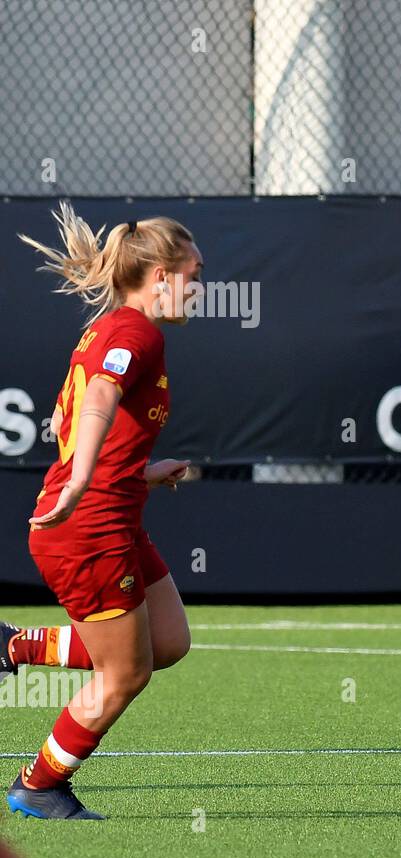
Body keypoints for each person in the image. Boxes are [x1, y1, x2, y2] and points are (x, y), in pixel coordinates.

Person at [1, 202, 200, 818]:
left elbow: (66, 417)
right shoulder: (136, 331)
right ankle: (39, 784)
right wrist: (84, 477)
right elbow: (98, 401)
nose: (198, 289)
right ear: (161, 275)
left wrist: (140, 472)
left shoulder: (110, 327)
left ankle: (13, 649)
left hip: (112, 514)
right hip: (88, 527)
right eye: (194, 275)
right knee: (126, 673)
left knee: (166, 642)